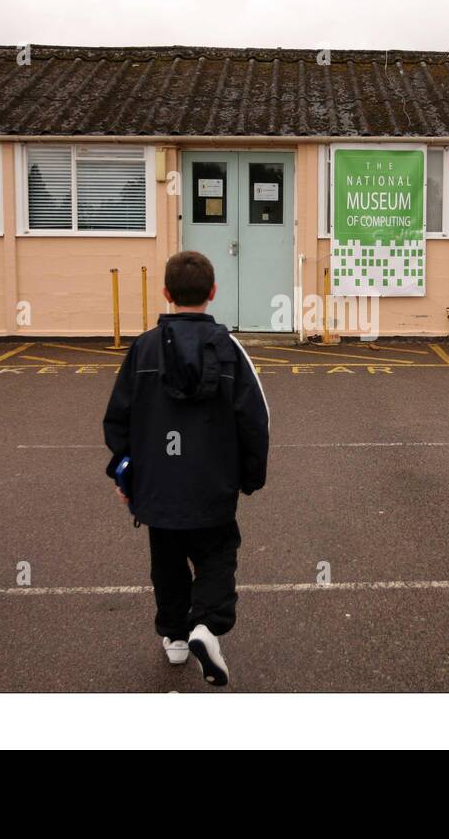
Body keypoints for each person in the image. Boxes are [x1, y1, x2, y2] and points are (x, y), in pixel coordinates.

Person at [103, 250, 270, 686]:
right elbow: (254, 419)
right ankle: (206, 626)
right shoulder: (230, 350)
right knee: (216, 556)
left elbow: (118, 419)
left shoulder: (142, 349)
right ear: (213, 293)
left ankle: (176, 638)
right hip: (212, 485)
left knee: (168, 561)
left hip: (158, 488)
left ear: (165, 293)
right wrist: (251, 477)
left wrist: (125, 474)